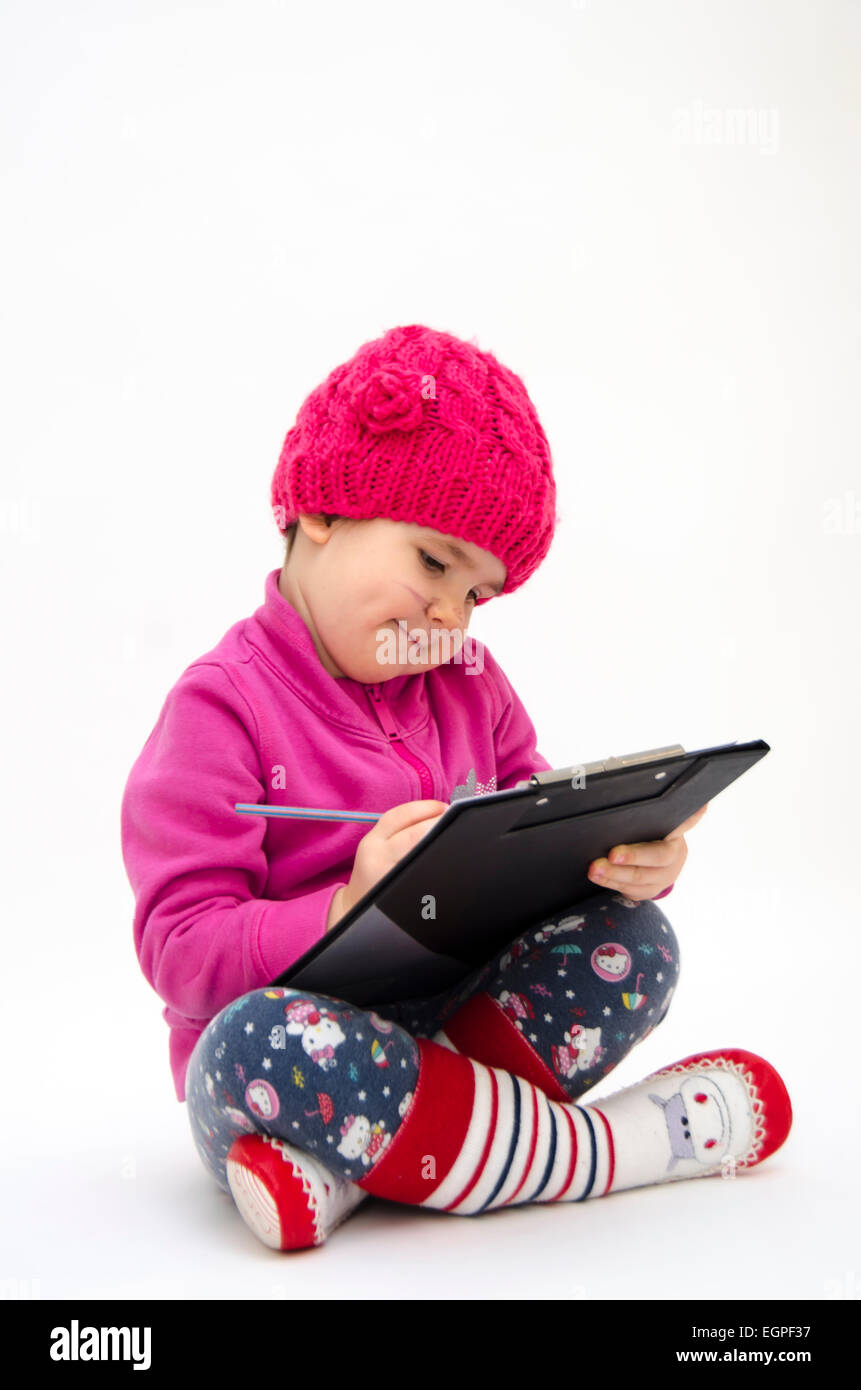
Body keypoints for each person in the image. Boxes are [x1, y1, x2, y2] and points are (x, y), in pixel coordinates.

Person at [120, 323, 792, 1253]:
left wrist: (623, 853)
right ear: (323, 511)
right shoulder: (221, 707)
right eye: (434, 564)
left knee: (635, 944)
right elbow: (178, 950)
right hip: (296, 1052)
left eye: (477, 594)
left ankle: (372, 1160)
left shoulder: (468, 679)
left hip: (463, 1019)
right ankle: (608, 1151)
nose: (448, 614)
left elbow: (533, 831)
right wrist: (345, 905)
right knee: (248, 1047)